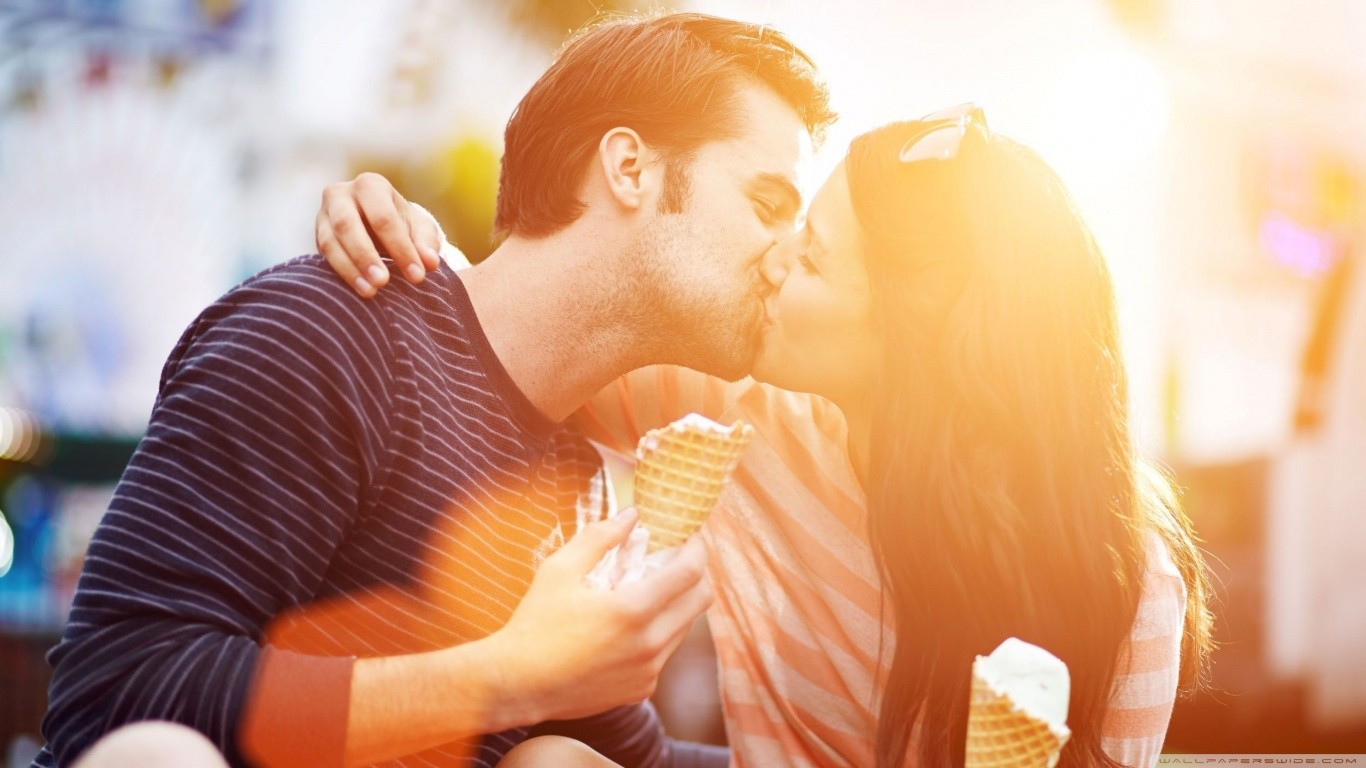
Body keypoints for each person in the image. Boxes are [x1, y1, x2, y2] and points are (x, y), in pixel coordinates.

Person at [34, 13, 835, 768]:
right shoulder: (337, 330)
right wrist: (504, 677)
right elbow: (120, 694)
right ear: (629, 168)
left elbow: (645, 759)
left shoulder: (577, 485)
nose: (784, 258)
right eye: (767, 205)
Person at [316, 105, 1215, 768]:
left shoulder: (1123, 583)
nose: (772, 259)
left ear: (914, 341)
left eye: (814, 255)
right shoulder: (728, 409)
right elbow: (517, 334)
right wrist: (401, 235)